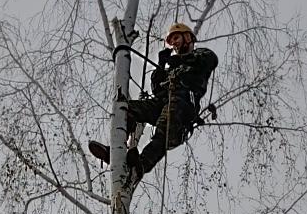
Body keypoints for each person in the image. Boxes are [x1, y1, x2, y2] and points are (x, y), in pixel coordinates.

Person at [88, 22, 218, 178]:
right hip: (163, 103)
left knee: (163, 129)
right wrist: (161, 66)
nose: (175, 43)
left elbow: (210, 60)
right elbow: (157, 89)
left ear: (188, 37)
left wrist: (183, 60)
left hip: (182, 108)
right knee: (126, 108)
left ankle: (139, 166)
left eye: (177, 38)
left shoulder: (202, 55)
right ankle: (117, 152)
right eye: (172, 41)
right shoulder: (172, 67)